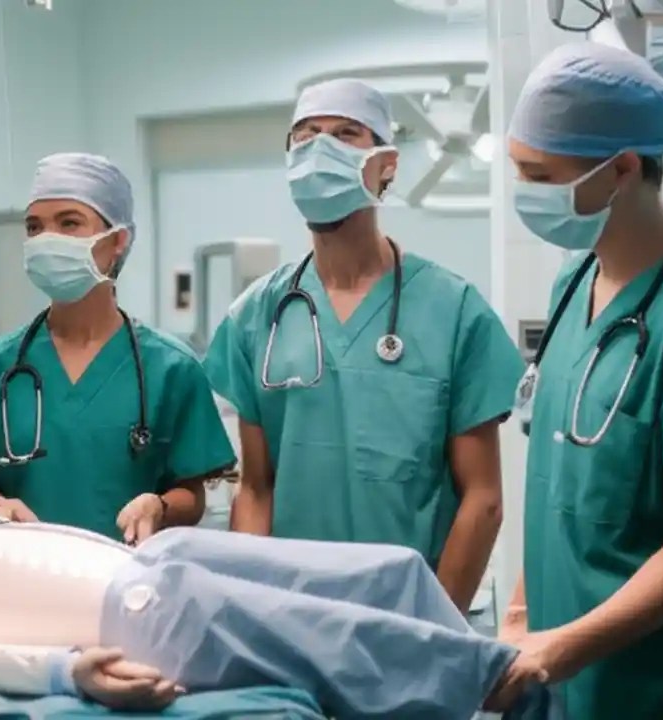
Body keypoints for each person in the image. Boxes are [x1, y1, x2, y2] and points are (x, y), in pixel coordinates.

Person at [0, 481, 554, 720]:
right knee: (329, 636)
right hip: (140, 613)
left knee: (388, 570)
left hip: (153, 561)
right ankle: (492, 682)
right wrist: (69, 675)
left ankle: (473, 661)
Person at [204, 79, 523, 611]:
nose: (319, 151)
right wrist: (249, 610)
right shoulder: (254, 317)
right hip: (289, 612)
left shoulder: (454, 311)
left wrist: (434, 631)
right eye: (304, 138)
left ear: (387, 164)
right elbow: (257, 488)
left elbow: (484, 499)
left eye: (345, 134)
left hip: (406, 612)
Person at [493, 42, 663, 719]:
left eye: (538, 174)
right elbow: (558, 492)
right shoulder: (574, 282)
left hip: (639, 693)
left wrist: (563, 647)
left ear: (622, 169)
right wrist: (518, 618)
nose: (523, 192)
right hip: (555, 687)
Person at [0, 153, 235, 542]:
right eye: (34, 227)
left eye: (69, 223)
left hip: (129, 584)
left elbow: (191, 496)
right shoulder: (2, 364)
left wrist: (157, 507)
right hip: (24, 580)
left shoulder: (170, 368)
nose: (47, 239)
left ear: (118, 240)